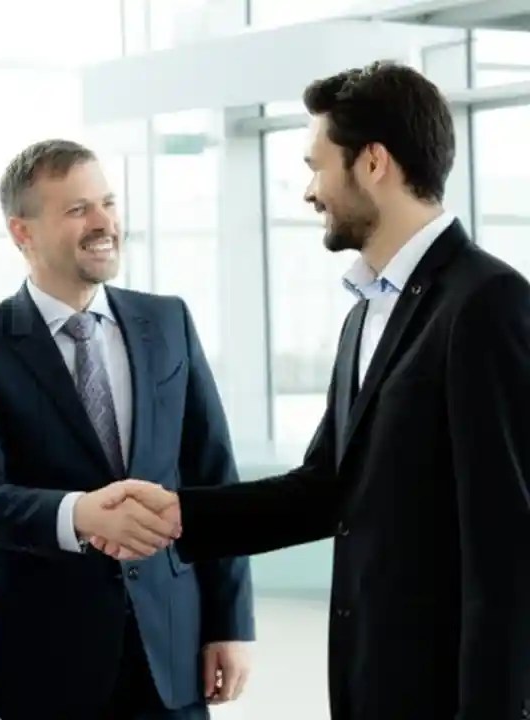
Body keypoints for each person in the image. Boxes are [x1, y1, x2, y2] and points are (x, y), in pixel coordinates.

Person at [94, 60, 530, 720]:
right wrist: (179, 514)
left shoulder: (486, 301)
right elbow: (325, 487)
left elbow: (507, 551)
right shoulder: (366, 314)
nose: (309, 192)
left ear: (374, 162)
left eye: (316, 165)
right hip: (372, 684)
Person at [0, 138, 255, 720]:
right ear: (22, 233)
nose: (104, 222)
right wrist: (79, 514)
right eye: (78, 209)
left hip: (169, 653)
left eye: (108, 202)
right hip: (35, 661)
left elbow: (213, 478)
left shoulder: (168, 321)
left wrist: (230, 624)